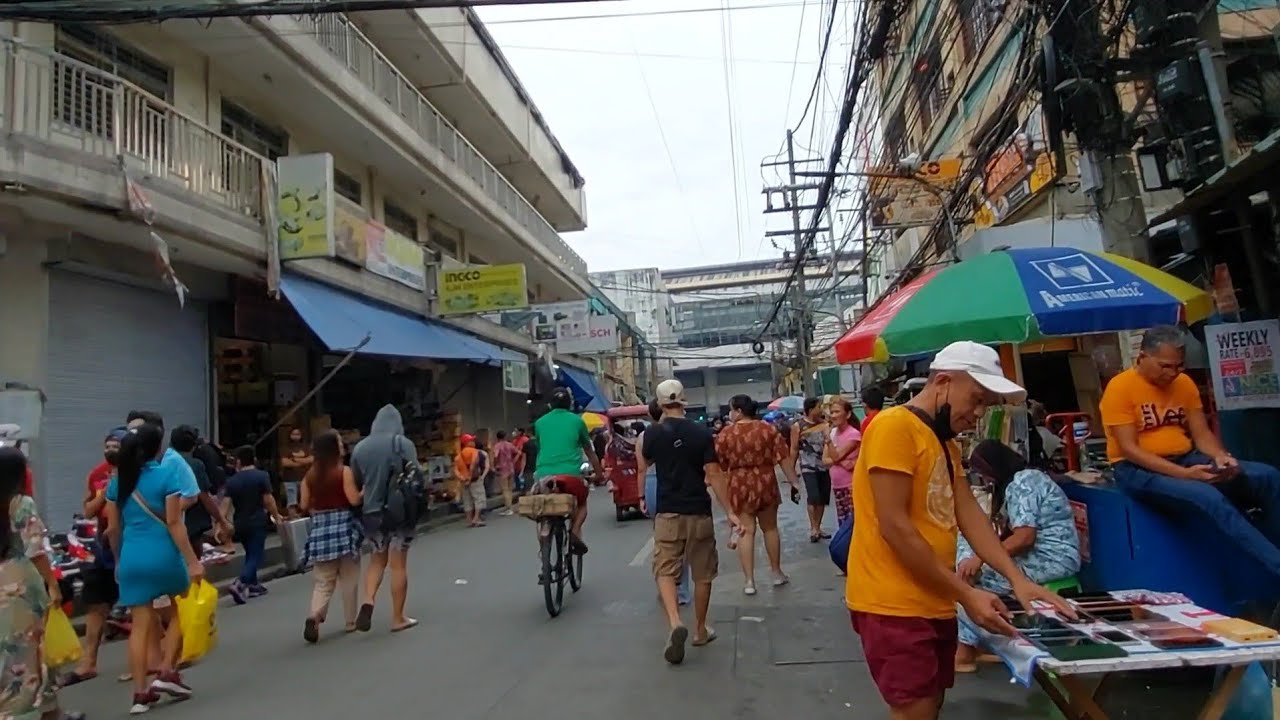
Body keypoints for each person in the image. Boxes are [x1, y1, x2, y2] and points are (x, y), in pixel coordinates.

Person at [847, 342, 1073, 719]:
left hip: (932, 598)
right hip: (893, 603)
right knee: (915, 708)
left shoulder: (942, 442)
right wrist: (966, 593)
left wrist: (1017, 580)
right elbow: (895, 527)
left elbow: (968, 513)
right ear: (944, 382)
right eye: (977, 399)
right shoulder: (894, 427)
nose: (978, 413)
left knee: (930, 703)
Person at [1101, 325, 1280, 577]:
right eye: (1165, 366)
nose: (1173, 373)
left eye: (1179, 365)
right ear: (1142, 357)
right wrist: (1184, 475)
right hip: (1136, 470)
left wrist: (1220, 456)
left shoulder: (1184, 383)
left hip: (1185, 458)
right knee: (1208, 496)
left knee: (1267, 476)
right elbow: (1129, 450)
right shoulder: (1119, 388)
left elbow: (1202, 434)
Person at [954, 440, 1081, 672]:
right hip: (1042, 554)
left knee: (974, 582)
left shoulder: (1024, 482)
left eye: (983, 473)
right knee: (966, 563)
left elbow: (1024, 537)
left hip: (1054, 557)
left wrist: (981, 558)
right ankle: (972, 647)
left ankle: (966, 651)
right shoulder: (1020, 482)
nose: (984, 480)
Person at [105, 423, 205, 715]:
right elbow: (174, 523)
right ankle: (166, 672)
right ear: (157, 448)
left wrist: (119, 560)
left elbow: (112, 528)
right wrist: (193, 560)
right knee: (178, 611)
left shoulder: (118, 481)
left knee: (140, 625)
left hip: (132, 557)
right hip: (164, 554)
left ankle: (139, 693)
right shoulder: (165, 475)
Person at [643, 379, 739, 665]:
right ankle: (699, 629)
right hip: (699, 511)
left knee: (665, 569)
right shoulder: (701, 433)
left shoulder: (653, 434)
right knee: (703, 573)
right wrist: (731, 512)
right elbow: (715, 474)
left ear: (660, 404)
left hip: (668, 512)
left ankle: (675, 623)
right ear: (684, 401)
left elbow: (645, 462)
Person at [0, 447, 85, 720]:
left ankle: (52, 711)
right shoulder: (21, 503)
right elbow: (35, 550)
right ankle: (19, 712)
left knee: (18, 650)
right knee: (28, 653)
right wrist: (53, 584)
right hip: (21, 584)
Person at [716, 394, 799, 595]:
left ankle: (749, 581)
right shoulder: (768, 429)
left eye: (731, 409)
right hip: (765, 480)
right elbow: (783, 458)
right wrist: (794, 482)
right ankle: (777, 573)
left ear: (738, 411)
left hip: (739, 483)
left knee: (746, 530)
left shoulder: (726, 434)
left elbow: (720, 465)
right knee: (770, 528)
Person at [351, 404, 423, 633]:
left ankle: (368, 601)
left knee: (376, 559)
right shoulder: (403, 444)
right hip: (399, 511)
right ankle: (398, 617)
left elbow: (356, 480)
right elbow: (416, 475)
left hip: (372, 512)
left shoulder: (360, 448)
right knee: (398, 564)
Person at [68, 428, 126, 685]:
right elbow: (89, 510)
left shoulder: (141, 473)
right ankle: (88, 661)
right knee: (96, 602)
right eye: (108, 446)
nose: (111, 451)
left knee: (143, 607)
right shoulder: (97, 474)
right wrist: (104, 494)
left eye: (116, 446)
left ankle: (153, 660)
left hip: (131, 541)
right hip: (104, 544)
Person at [300, 430, 363, 643]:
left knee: (323, 580)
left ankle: (314, 615)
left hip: (320, 528)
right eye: (339, 442)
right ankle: (350, 621)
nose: (343, 445)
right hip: (343, 526)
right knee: (349, 578)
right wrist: (364, 492)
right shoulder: (343, 471)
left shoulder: (309, 475)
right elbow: (353, 500)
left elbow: (303, 505)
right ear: (333, 449)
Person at [533, 387, 605, 553]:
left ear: (550, 405)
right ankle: (574, 531)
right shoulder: (577, 421)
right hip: (571, 476)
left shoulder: (539, 423)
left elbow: (541, 448)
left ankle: (544, 548)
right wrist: (599, 474)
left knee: (542, 512)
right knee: (581, 504)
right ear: (569, 404)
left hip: (543, 476)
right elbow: (589, 451)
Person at [639, 400, 692, 606]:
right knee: (684, 538)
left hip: (654, 486)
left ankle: (666, 588)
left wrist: (641, 496)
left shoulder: (645, 436)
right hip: (681, 484)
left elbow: (642, 468)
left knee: (663, 540)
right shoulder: (686, 431)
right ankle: (683, 591)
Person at [223, 446, 283, 604]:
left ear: (239, 462)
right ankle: (240, 582)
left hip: (239, 522)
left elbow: (225, 503)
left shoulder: (232, 481)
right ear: (254, 460)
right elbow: (268, 499)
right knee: (256, 555)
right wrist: (276, 515)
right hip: (257, 520)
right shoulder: (261, 476)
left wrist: (221, 523)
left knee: (250, 552)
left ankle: (254, 584)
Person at [170, 426, 231, 562]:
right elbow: (204, 496)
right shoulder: (195, 465)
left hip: (168, 520)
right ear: (193, 446)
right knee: (192, 562)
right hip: (192, 523)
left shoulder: (163, 462)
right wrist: (221, 520)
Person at [791, 397, 832, 542]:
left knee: (822, 498)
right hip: (808, 466)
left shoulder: (825, 424)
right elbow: (794, 448)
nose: (820, 409)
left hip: (824, 465)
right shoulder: (798, 426)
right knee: (813, 496)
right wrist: (792, 470)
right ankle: (813, 527)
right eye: (818, 407)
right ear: (810, 409)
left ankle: (818, 526)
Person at [826, 397, 862, 529]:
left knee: (853, 524)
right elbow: (825, 460)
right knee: (842, 524)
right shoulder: (833, 433)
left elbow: (834, 458)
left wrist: (834, 454)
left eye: (836, 412)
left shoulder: (854, 435)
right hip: (837, 486)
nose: (833, 416)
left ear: (847, 414)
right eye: (832, 412)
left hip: (851, 486)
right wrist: (843, 461)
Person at [455, 434, 487, 528]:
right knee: (479, 498)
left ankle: (469, 520)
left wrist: (462, 477)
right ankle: (476, 518)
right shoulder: (474, 451)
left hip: (464, 481)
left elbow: (456, 470)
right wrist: (470, 475)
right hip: (474, 479)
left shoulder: (458, 455)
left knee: (467, 500)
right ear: (467, 443)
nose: (473, 442)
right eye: (471, 441)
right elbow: (474, 463)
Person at [280, 426, 314, 514]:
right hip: (290, 479)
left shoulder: (306, 447)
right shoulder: (285, 448)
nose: (296, 436)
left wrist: (295, 459)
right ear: (289, 435)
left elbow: (311, 459)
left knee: (308, 502)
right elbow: (285, 462)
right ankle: (294, 524)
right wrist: (303, 462)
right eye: (293, 434)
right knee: (292, 503)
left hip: (305, 479)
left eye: (298, 434)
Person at [492, 430, 519, 516]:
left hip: (503, 469)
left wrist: (495, 464)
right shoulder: (509, 444)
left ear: (497, 437)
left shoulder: (497, 446)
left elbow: (496, 456)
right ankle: (510, 507)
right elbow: (518, 452)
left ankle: (509, 508)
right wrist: (513, 461)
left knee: (505, 489)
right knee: (510, 489)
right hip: (511, 468)